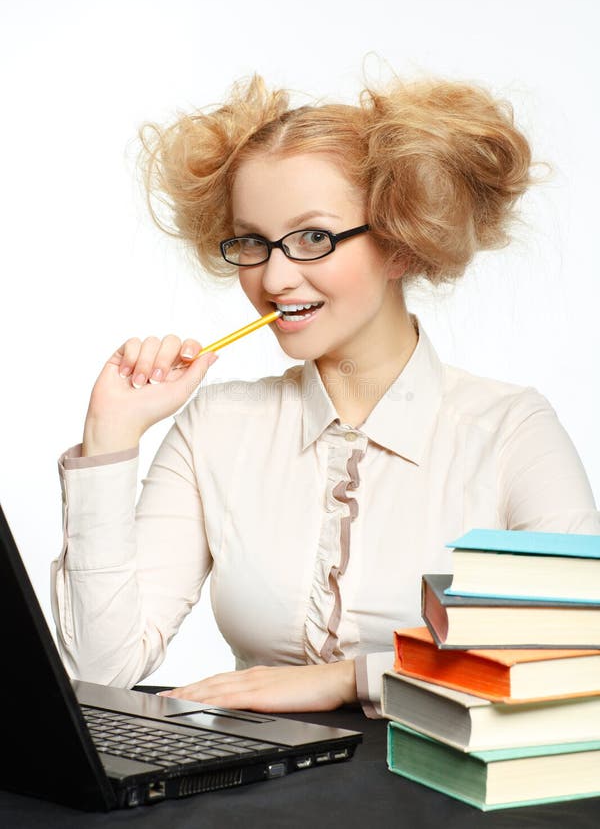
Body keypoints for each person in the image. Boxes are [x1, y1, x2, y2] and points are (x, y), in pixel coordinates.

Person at [51, 72, 600, 719]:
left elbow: (579, 650)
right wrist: (111, 436)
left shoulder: (509, 430)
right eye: (253, 241)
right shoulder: (215, 427)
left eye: (313, 237)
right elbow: (99, 670)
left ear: (401, 240)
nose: (275, 278)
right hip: (252, 798)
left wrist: (351, 678)